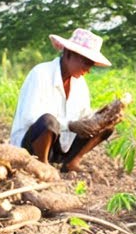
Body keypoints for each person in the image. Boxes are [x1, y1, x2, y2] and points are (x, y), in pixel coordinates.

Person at [9, 28, 114, 173]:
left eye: (91, 65)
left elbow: (83, 117)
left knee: (106, 125)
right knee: (48, 121)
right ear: (69, 54)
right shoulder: (41, 74)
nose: (88, 69)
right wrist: (70, 125)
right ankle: (42, 164)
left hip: (61, 147)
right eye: (86, 62)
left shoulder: (80, 83)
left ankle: (71, 162)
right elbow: (30, 117)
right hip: (31, 146)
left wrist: (102, 115)